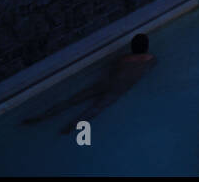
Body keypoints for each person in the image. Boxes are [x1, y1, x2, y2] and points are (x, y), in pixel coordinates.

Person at [22, 33, 157, 134]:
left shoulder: (124, 58)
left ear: (132, 47)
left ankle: (41, 117)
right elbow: (145, 74)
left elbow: (113, 69)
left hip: (106, 83)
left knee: (72, 100)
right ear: (146, 47)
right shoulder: (151, 60)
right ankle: (69, 127)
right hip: (118, 90)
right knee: (93, 110)